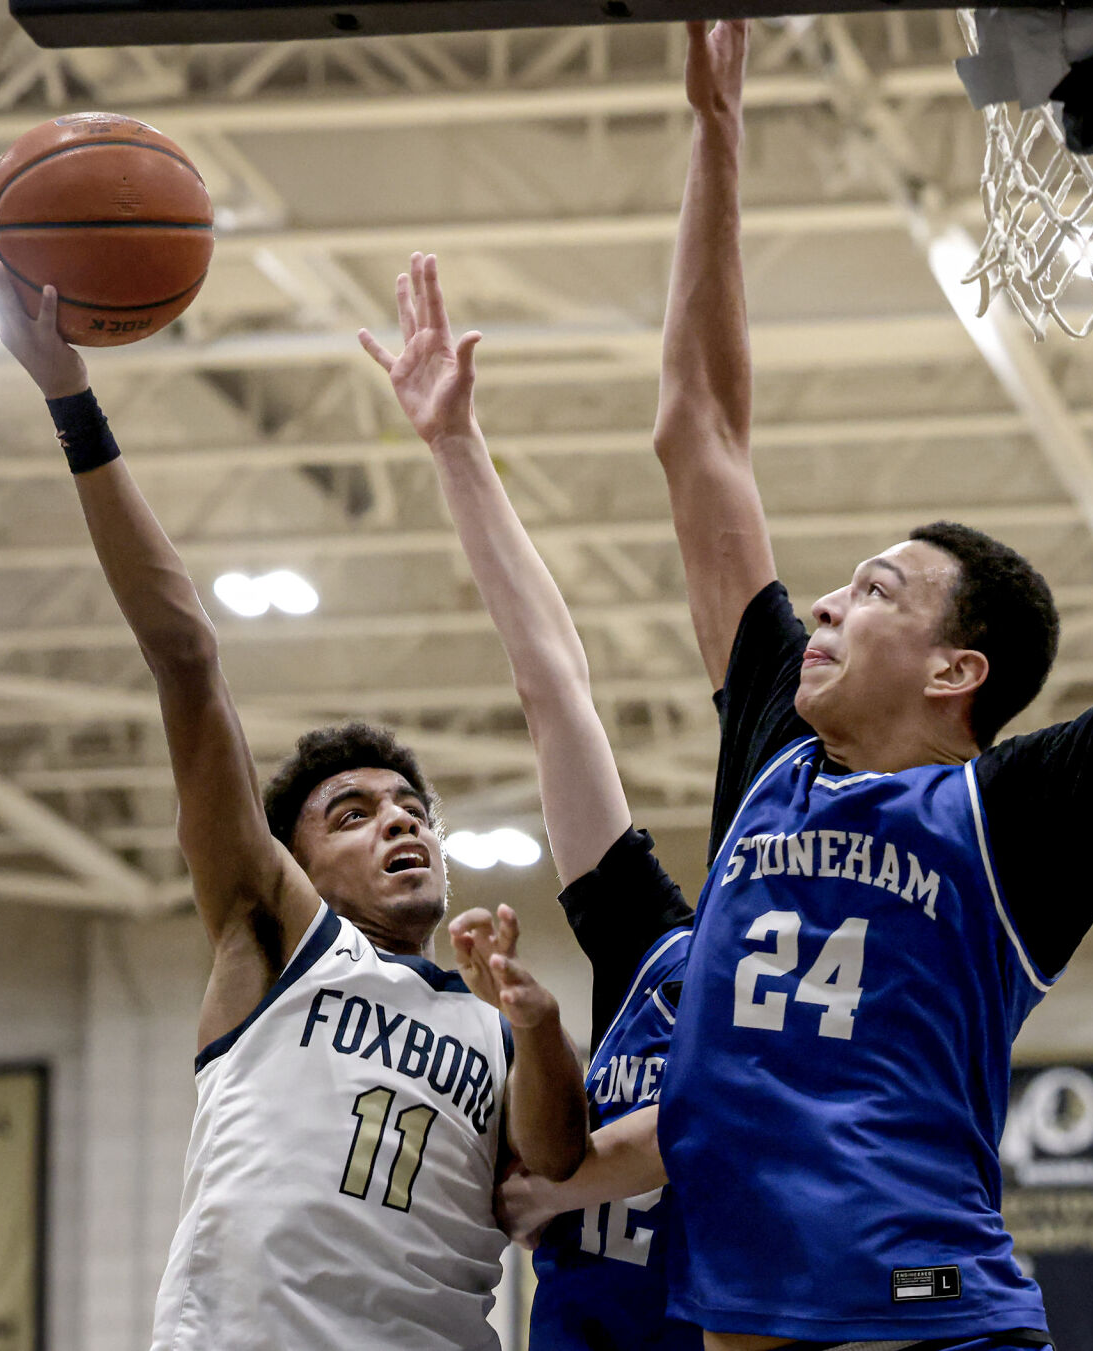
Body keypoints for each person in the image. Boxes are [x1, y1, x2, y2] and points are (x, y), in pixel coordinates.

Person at [649, 21, 1093, 1351]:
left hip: (928, 1320)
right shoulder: (775, 735)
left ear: (958, 669)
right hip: (745, 1321)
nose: (826, 602)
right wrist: (715, 141)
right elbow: (696, 431)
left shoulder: (1006, 812)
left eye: (875, 589)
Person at [0, 245, 589, 1351]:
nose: (400, 819)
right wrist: (70, 398)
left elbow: (553, 1169)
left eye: (410, 806)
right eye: (352, 812)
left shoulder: (488, 1022)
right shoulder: (277, 941)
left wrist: (535, 1030)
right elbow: (185, 653)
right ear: (292, 865)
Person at [360, 251, 702, 1351]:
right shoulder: (660, 945)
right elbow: (553, 688)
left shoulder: (849, 984)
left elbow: (726, 1121)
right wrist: (456, 448)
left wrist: (579, 1178)